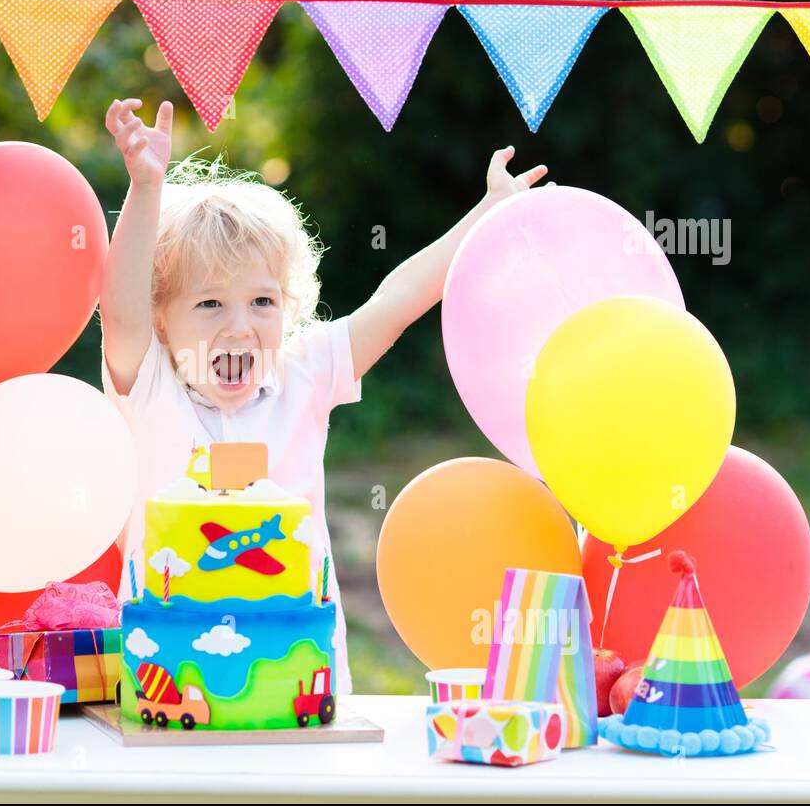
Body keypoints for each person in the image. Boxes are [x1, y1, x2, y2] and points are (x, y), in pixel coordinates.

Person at [100, 97, 547, 695]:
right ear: (162, 320)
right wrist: (145, 188)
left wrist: (487, 214)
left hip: (300, 679)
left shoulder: (303, 372)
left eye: (262, 302)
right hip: (166, 682)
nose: (239, 325)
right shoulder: (150, 383)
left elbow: (398, 297)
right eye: (210, 304)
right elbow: (121, 311)